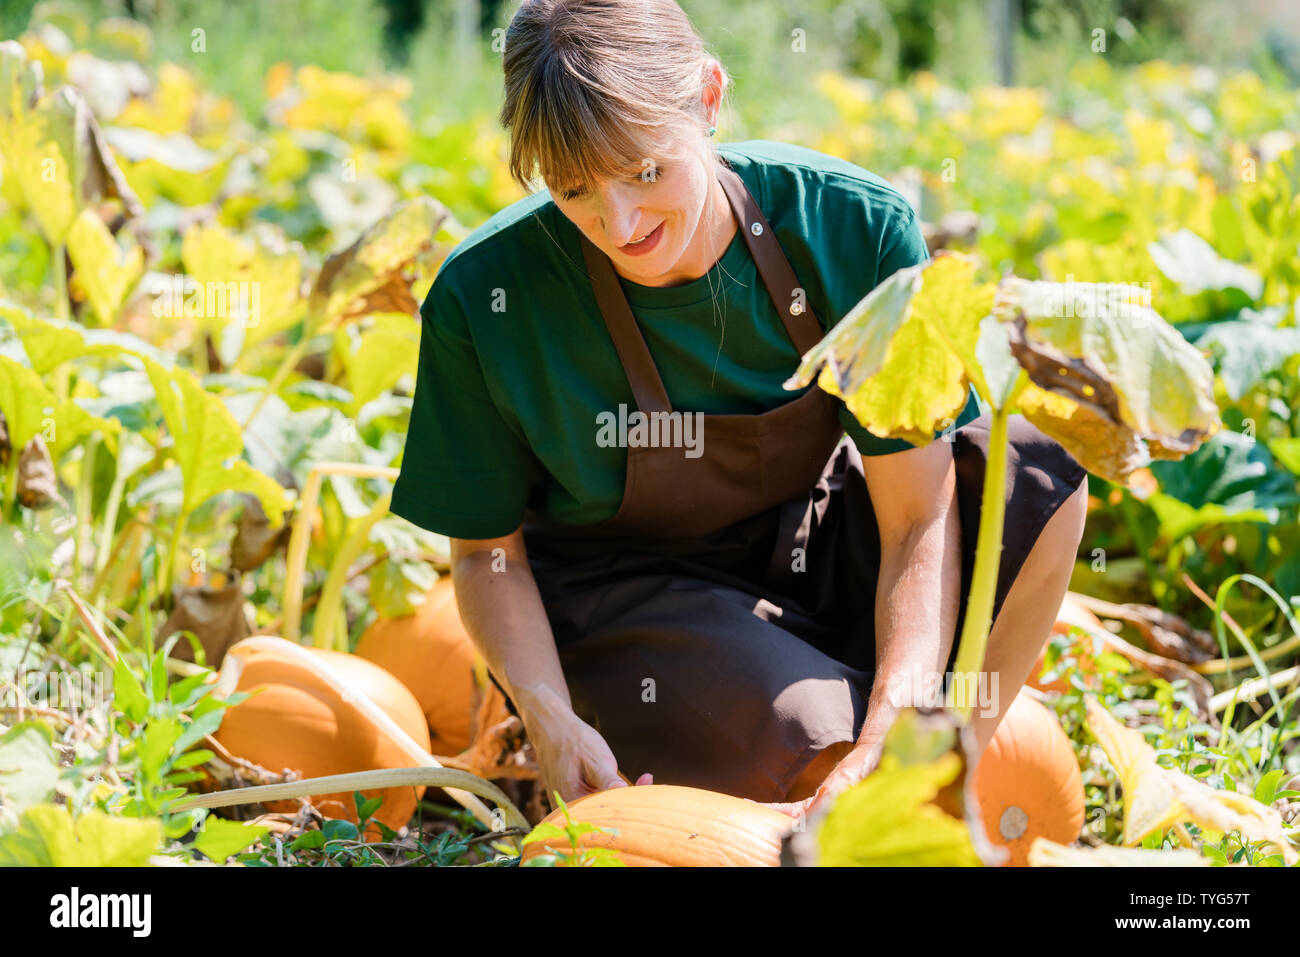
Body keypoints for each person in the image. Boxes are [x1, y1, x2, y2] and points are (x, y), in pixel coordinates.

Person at [390, 0, 1088, 816]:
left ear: (709, 98)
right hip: (633, 600)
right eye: (573, 189)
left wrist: (897, 716)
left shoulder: (851, 227)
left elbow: (916, 516)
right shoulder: (484, 297)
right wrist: (547, 714)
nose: (620, 224)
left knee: (1035, 474)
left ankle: (931, 781)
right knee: (813, 752)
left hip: (810, 539)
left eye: (644, 171)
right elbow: (486, 555)